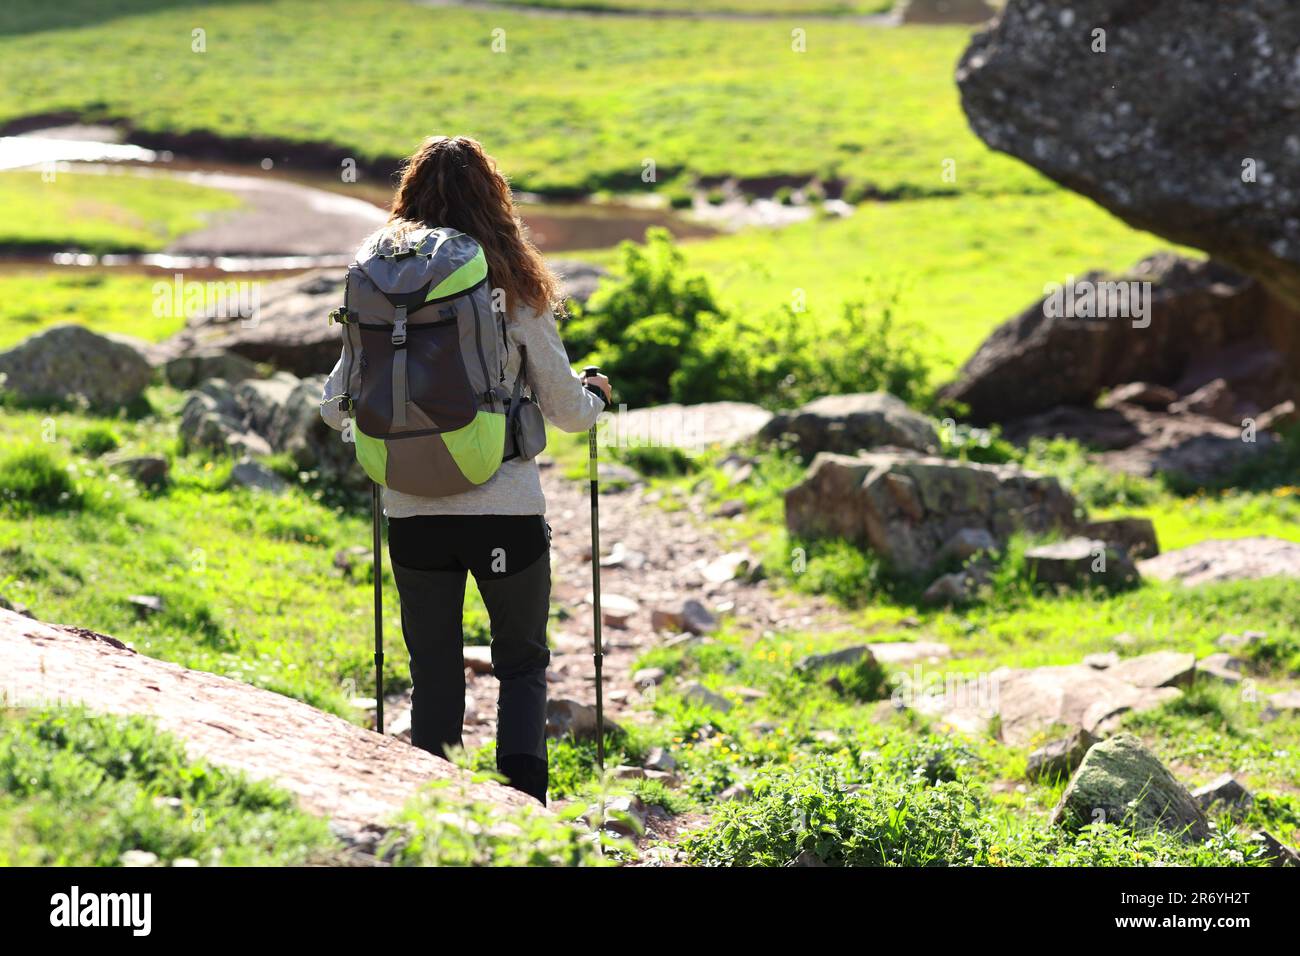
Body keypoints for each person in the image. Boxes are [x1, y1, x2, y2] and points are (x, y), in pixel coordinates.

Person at [320, 135, 611, 805]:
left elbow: (335, 404)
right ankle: (526, 812)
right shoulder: (512, 281)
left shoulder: (380, 286)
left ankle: (438, 816)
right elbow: (566, 411)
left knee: (435, 671)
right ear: (494, 197)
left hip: (412, 510)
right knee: (521, 664)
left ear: (411, 194)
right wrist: (595, 396)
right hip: (503, 508)